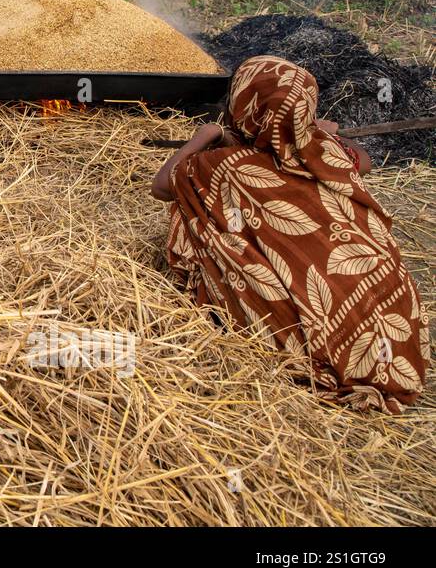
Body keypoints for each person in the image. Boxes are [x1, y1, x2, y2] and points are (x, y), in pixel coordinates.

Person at [152, 55, 429, 413]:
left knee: (190, 207)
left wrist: (207, 135)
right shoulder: (322, 151)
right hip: (394, 322)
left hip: (322, 336)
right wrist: (316, 133)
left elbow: (162, 186)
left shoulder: (221, 165)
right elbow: (365, 161)